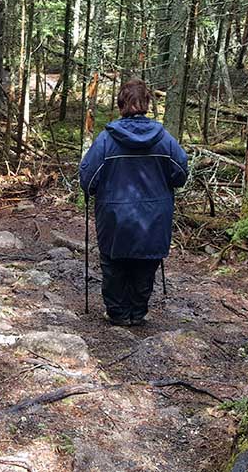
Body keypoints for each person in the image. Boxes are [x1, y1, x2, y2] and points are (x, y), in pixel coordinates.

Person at [79, 78, 188, 326]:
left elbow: (88, 178)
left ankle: (117, 313)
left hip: (114, 216)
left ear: (120, 104)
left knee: (113, 262)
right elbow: (180, 174)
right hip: (154, 217)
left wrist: (94, 190)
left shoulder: (106, 140)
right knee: (147, 261)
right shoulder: (164, 140)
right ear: (147, 103)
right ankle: (137, 312)